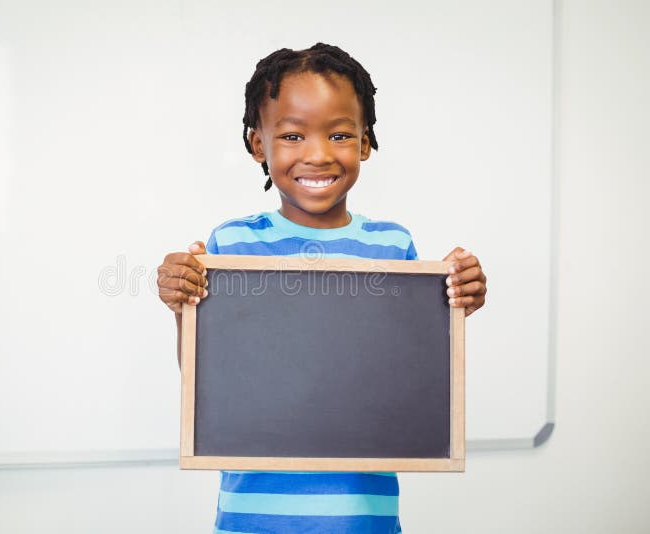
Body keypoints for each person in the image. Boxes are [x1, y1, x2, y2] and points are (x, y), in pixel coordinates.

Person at [156, 43, 487, 534]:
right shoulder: (234, 244)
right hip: (254, 517)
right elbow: (211, 381)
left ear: (365, 143)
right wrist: (181, 305)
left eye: (338, 134)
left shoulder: (392, 245)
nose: (317, 154)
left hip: (364, 517)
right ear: (258, 145)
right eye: (292, 135)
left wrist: (457, 298)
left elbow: (409, 374)